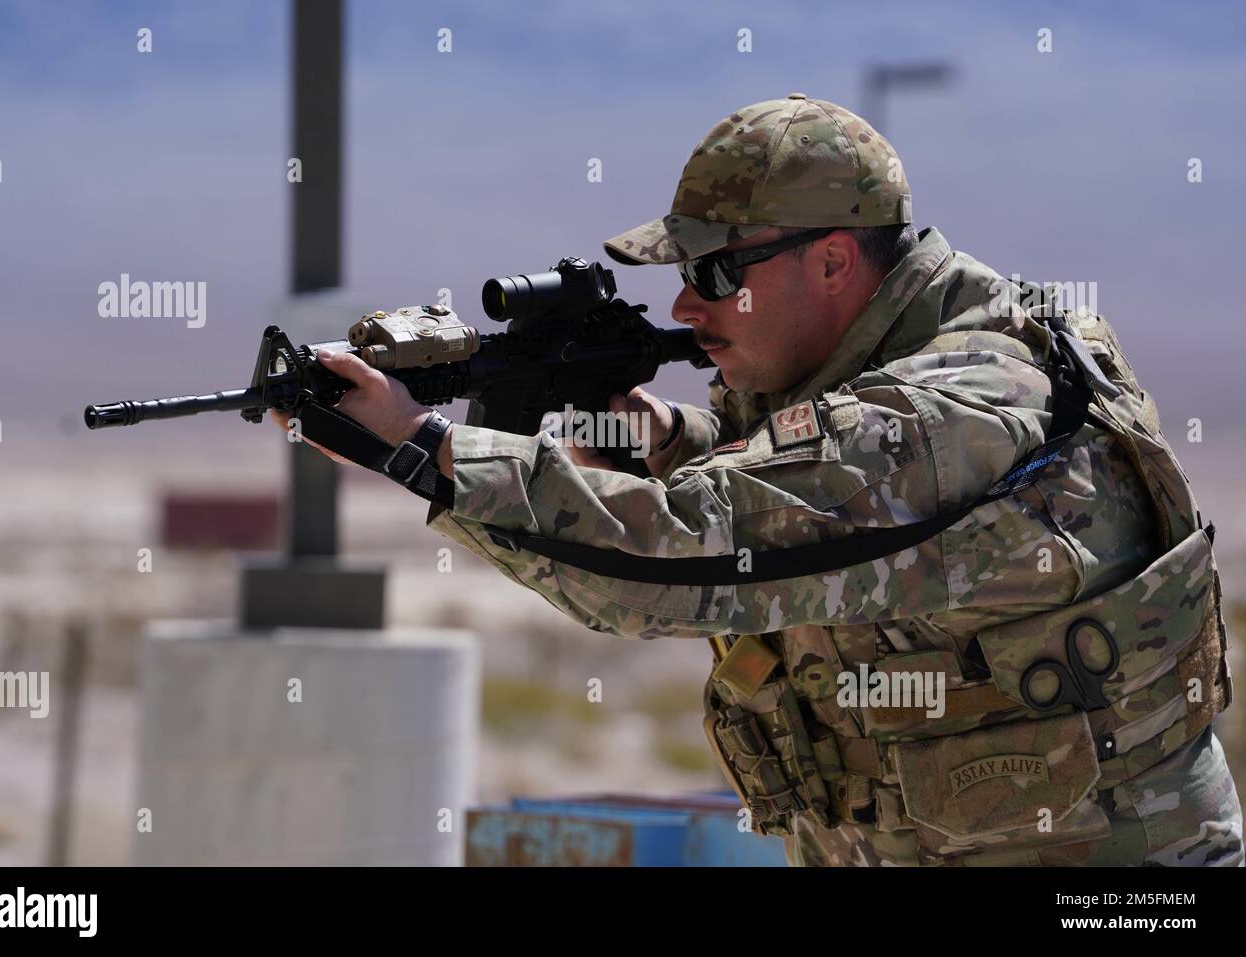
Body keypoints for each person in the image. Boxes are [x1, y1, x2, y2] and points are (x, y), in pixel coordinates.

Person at [273, 94, 1241, 866]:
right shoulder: (862, 376)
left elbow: (683, 558)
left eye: (716, 270)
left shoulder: (963, 404)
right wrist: (638, 428)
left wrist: (424, 450)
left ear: (829, 261)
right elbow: (796, 491)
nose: (687, 304)